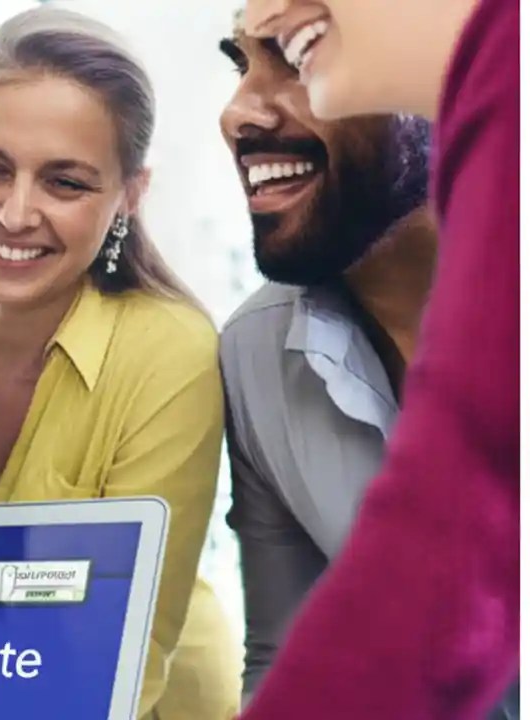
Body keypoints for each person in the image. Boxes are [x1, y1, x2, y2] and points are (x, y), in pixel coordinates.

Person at [0, 8, 241, 719]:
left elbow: (111, 658)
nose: (15, 213)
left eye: (65, 183)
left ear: (128, 197)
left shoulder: (170, 352)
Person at [216, 14, 517, 718]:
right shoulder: (253, 349)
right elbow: (281, 655)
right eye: (240, 65)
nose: (237, 113)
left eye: (294, 56)